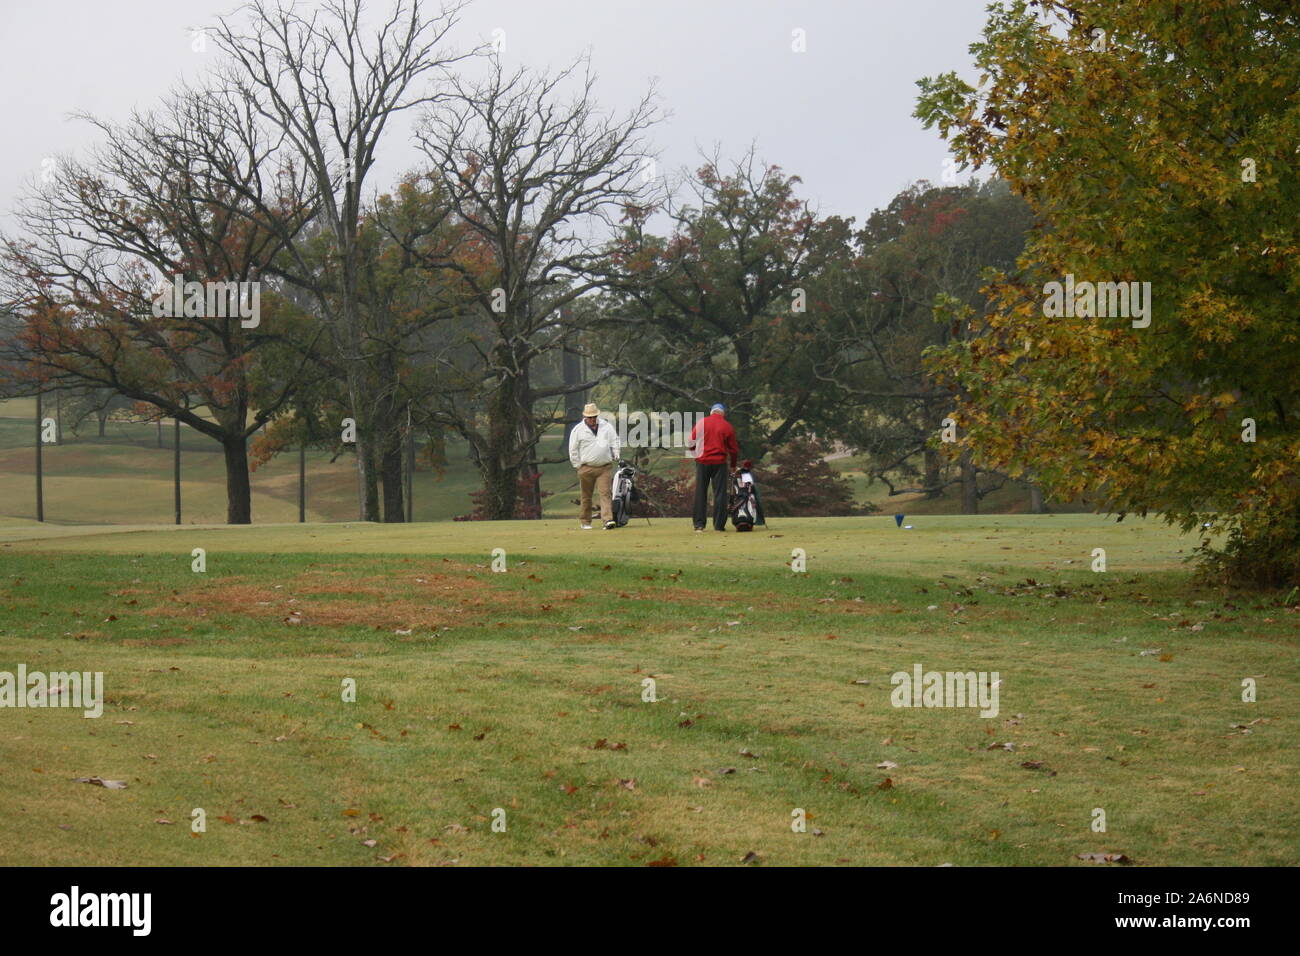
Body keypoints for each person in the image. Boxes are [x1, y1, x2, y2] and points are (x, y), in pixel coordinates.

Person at [687, 403, 740, 532]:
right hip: (719, 463)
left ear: (711, 412)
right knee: (720, 494)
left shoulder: (702, 422)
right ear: (723, 413)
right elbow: (734, 450)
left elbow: (690, 442)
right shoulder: (727, 426)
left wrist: (695, 454)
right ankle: (719, 525)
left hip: (702, 461)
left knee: (701, 492)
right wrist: (733, 465)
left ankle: (699, 525)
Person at [568, 402, 620, 530]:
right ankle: (585, 521)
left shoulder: (606, 426)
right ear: (585, 416)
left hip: (604, 467)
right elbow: (573, 449)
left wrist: (616, 452)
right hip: (586, 468)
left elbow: (615, 440)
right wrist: (578, 466)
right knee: (586, 496)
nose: (592, 419)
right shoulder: (578, 430)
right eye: (590, 417)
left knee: (605, 494)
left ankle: (608, 520)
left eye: (594, 417)